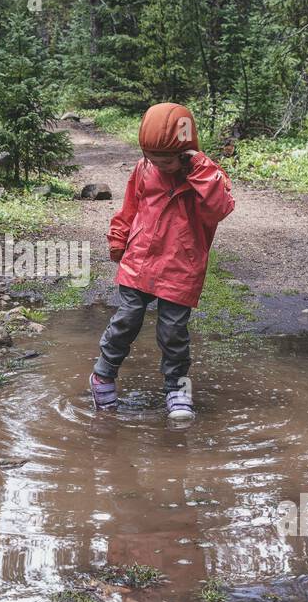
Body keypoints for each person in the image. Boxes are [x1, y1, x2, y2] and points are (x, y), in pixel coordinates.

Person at [89, 102, 236, 421]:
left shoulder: (207, 175)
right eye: (152, 159)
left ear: (186, 152)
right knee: (126, 320)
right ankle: (103, 375)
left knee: (173, 334)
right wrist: (118, 238)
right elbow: (129, 208)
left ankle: (177, 389)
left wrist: (200, 170)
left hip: (181, 268)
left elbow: (219, 209)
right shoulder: (144, 169)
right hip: (139, 259)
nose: (158, 165)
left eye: (165, 160)